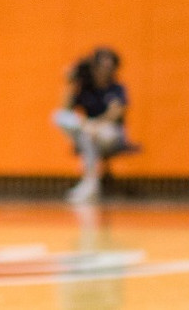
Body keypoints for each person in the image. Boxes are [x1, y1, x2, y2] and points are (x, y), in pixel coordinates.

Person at [52, 47, 131, 204]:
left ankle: (89, 184)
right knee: (61, 118)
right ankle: (90, 185)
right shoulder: (84, 88)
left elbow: (116, 113)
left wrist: (95, 124)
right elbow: (65, 110)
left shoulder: (116, 88)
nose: (105, 71)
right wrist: (71, 83)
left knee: (89, 136)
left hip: (110, 133)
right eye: (102, 67)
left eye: (110, 67)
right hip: (88, 132)